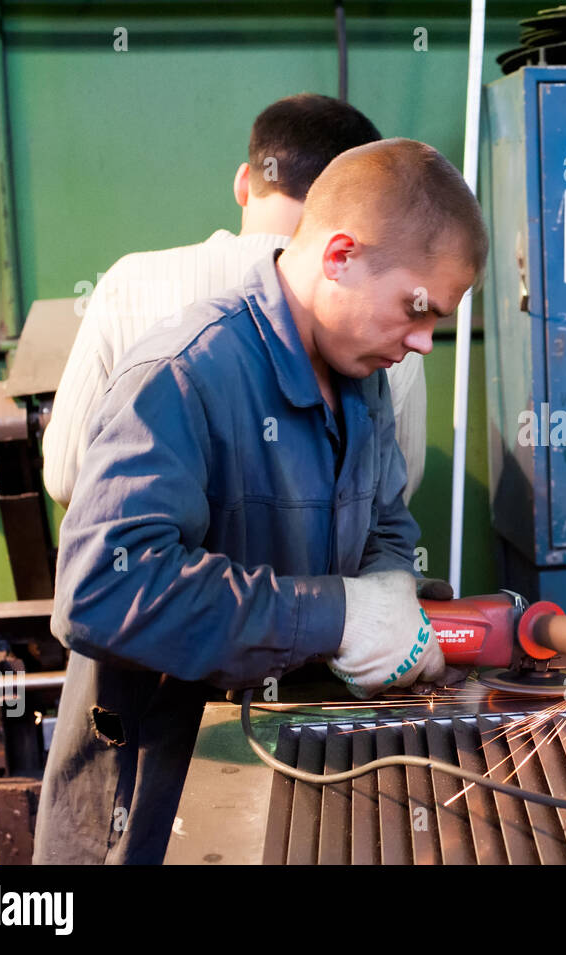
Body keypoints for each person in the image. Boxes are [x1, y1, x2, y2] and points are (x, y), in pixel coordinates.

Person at [33, 138, 487, 864]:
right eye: (417, 308)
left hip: (289, 777)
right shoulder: (186, 374)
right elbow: (101, 590)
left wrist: (389, 587)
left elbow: (388, 519)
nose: (426, 341)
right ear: (339, 256)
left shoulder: (363, 378)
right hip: (153, 802)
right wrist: (338, 614)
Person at [43, 93, 429, 507]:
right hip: (325, 574)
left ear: (244, 182)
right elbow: (396, 492)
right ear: (361, 210)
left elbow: (67, 477)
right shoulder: (388, 325)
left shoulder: (127, 283)